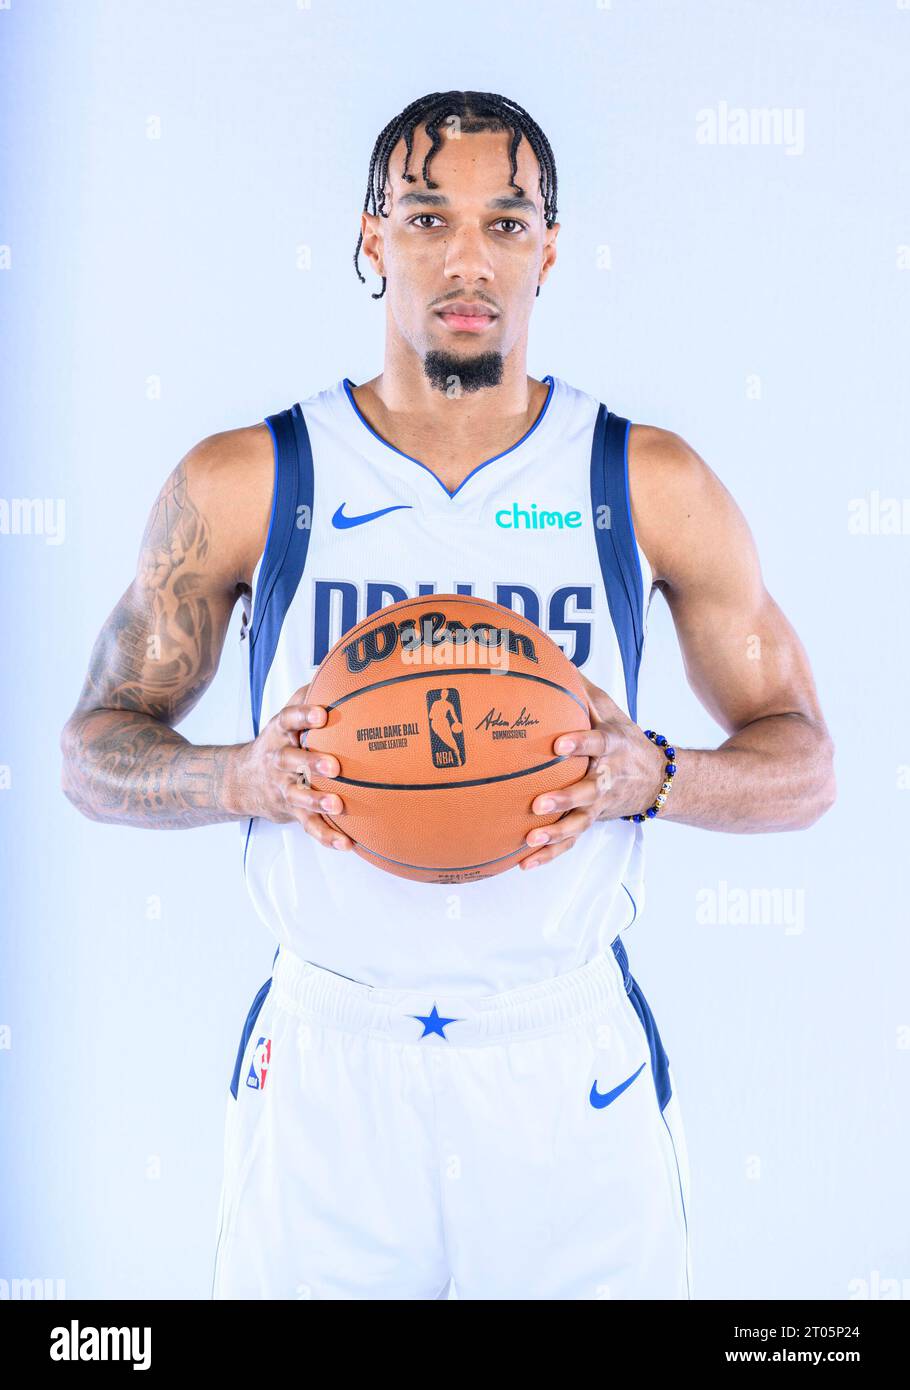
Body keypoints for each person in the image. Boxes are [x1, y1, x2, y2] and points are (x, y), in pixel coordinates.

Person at [60, 90, 836, 1300]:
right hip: (327, 1065)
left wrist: (658, 775)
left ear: (550, 251)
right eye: (427, 216)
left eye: (506, 222)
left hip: (567, 1069)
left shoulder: (643, 480)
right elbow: (90, 753)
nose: (465, 257)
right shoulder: (251, 478)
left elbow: (806, 766)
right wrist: (236, 775)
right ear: (371, 237)